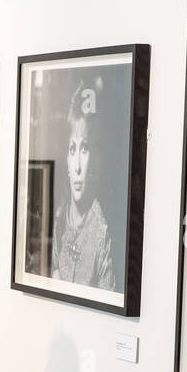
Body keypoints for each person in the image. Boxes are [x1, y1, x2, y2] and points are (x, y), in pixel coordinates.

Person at [51, 82, 112, 289]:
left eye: (84, 149)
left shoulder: (103, 234)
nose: (77, 166)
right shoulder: (58, 219)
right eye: (72, 149)